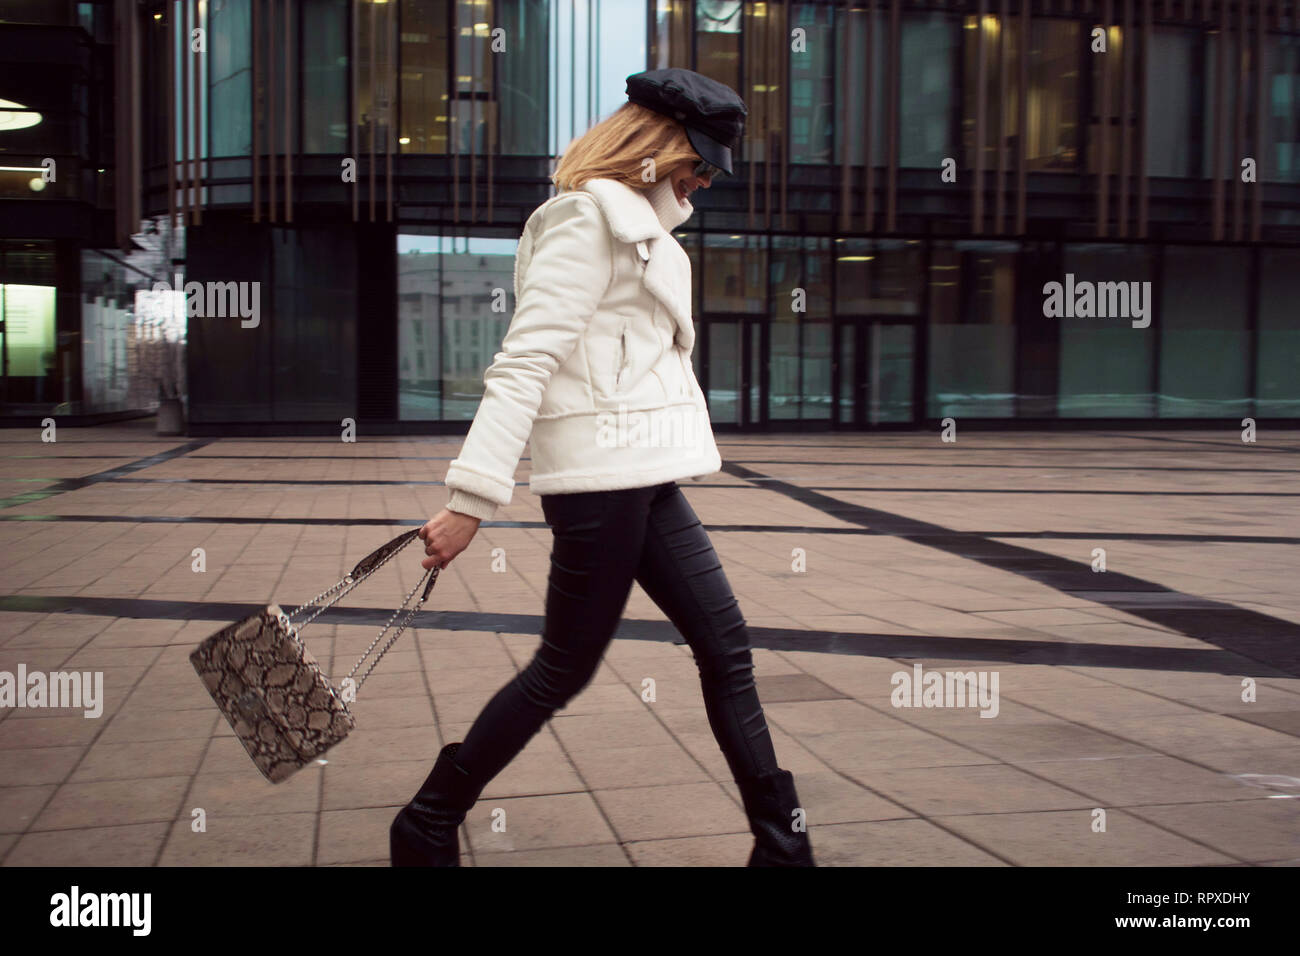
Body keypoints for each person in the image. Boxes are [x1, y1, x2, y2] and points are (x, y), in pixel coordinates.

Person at [390, 68, 815, 868]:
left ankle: (783, 845)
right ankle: (427, 820)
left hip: (646, 476)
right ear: (657, 149)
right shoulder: (585, 221)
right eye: (700, 161)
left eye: (715, 168)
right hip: (599, 485)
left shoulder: (644, 231)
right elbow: (524, 363)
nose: (706, 179)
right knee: (562, 670)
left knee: (726, 647)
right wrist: (471, 499)